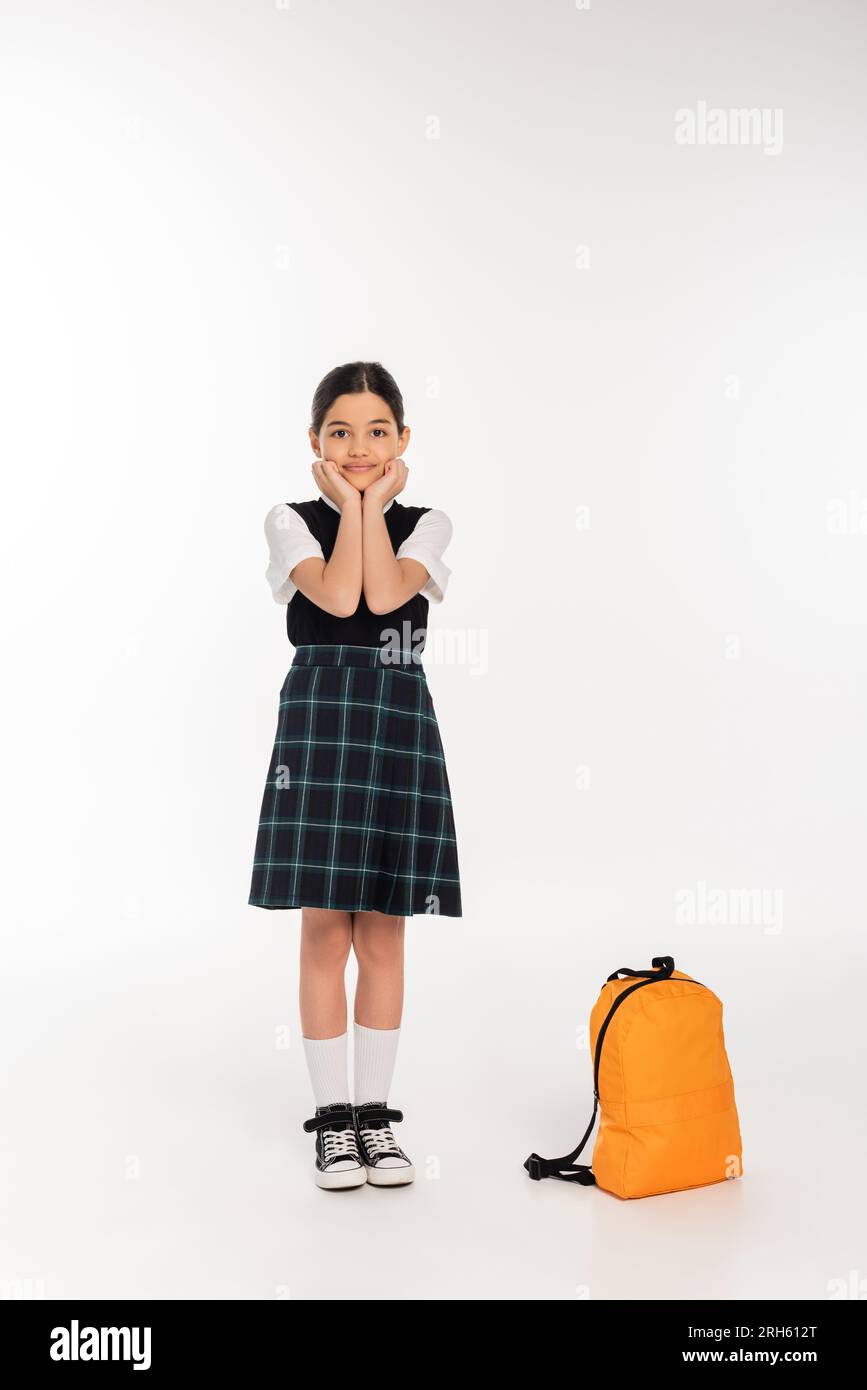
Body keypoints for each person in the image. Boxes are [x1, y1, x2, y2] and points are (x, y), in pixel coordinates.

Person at [249, 360, 461, 1189]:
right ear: (315, 441)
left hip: (397, 719)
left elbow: (383, 588)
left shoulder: (430, 523)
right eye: (341, 431)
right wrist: (352, 507)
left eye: (378, 431)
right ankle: (333, 1122)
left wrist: (369, 507)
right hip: (321, 717)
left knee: (383, 927)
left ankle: (376, 1119)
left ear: (402, 439)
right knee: (323, 926)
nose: (360, 445)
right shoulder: (288, 519)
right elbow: (341, 601)